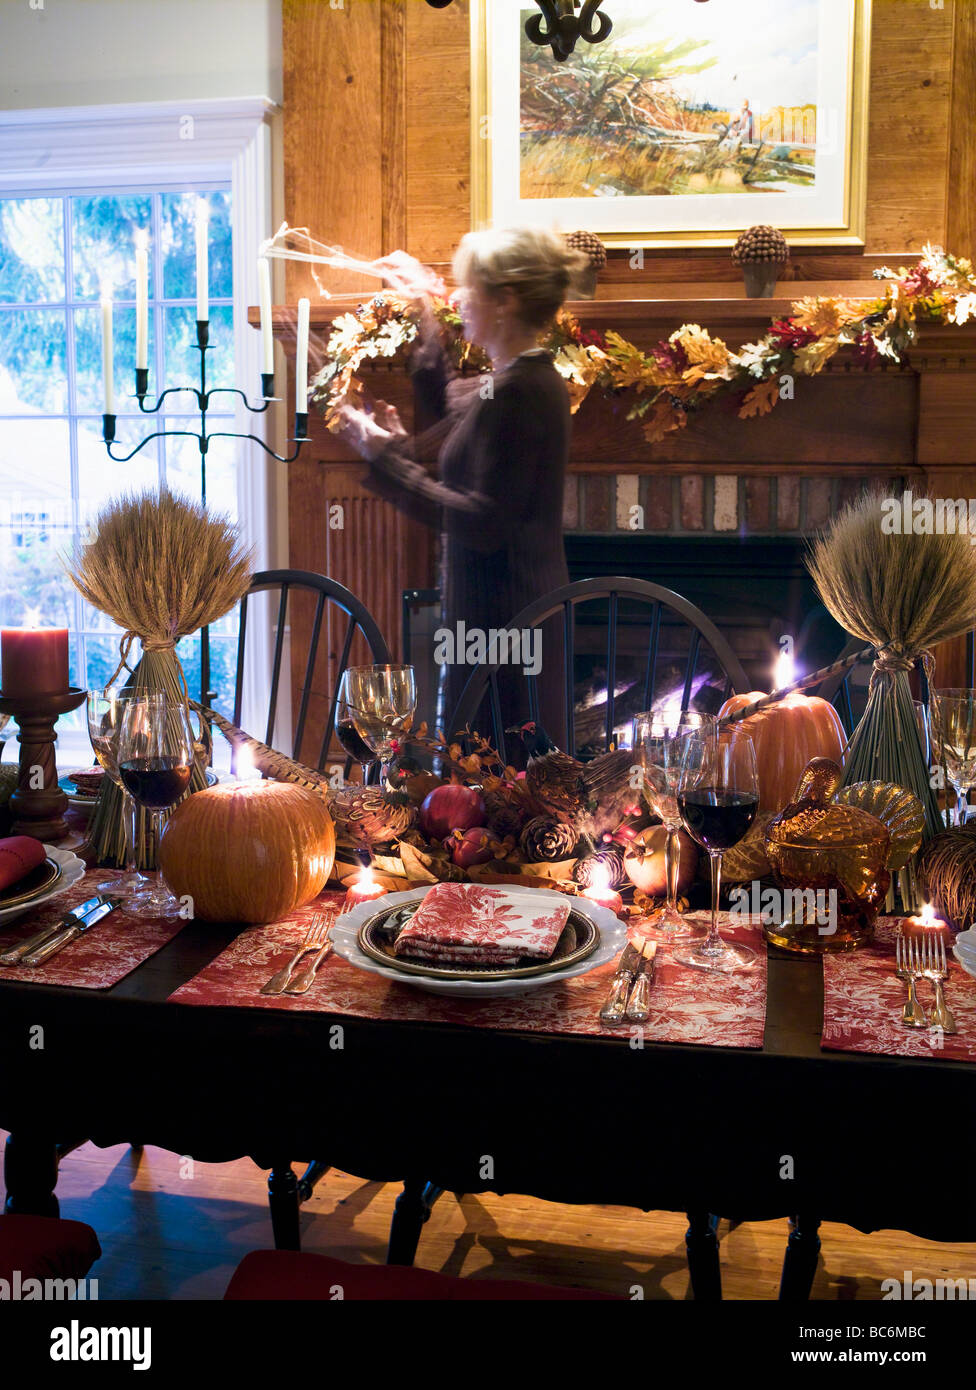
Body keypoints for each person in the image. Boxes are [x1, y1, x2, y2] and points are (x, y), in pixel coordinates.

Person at [337, 226, 588, 744]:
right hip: (498, 623)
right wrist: (420, 310)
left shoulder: (524, 390)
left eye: (468, 289)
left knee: (494, 797)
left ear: (505, 301)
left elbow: (482, 520)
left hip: (508, 632)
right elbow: (446, 398)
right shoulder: (515, 380)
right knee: (478, 797)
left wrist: (383, 456)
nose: (458, 299)